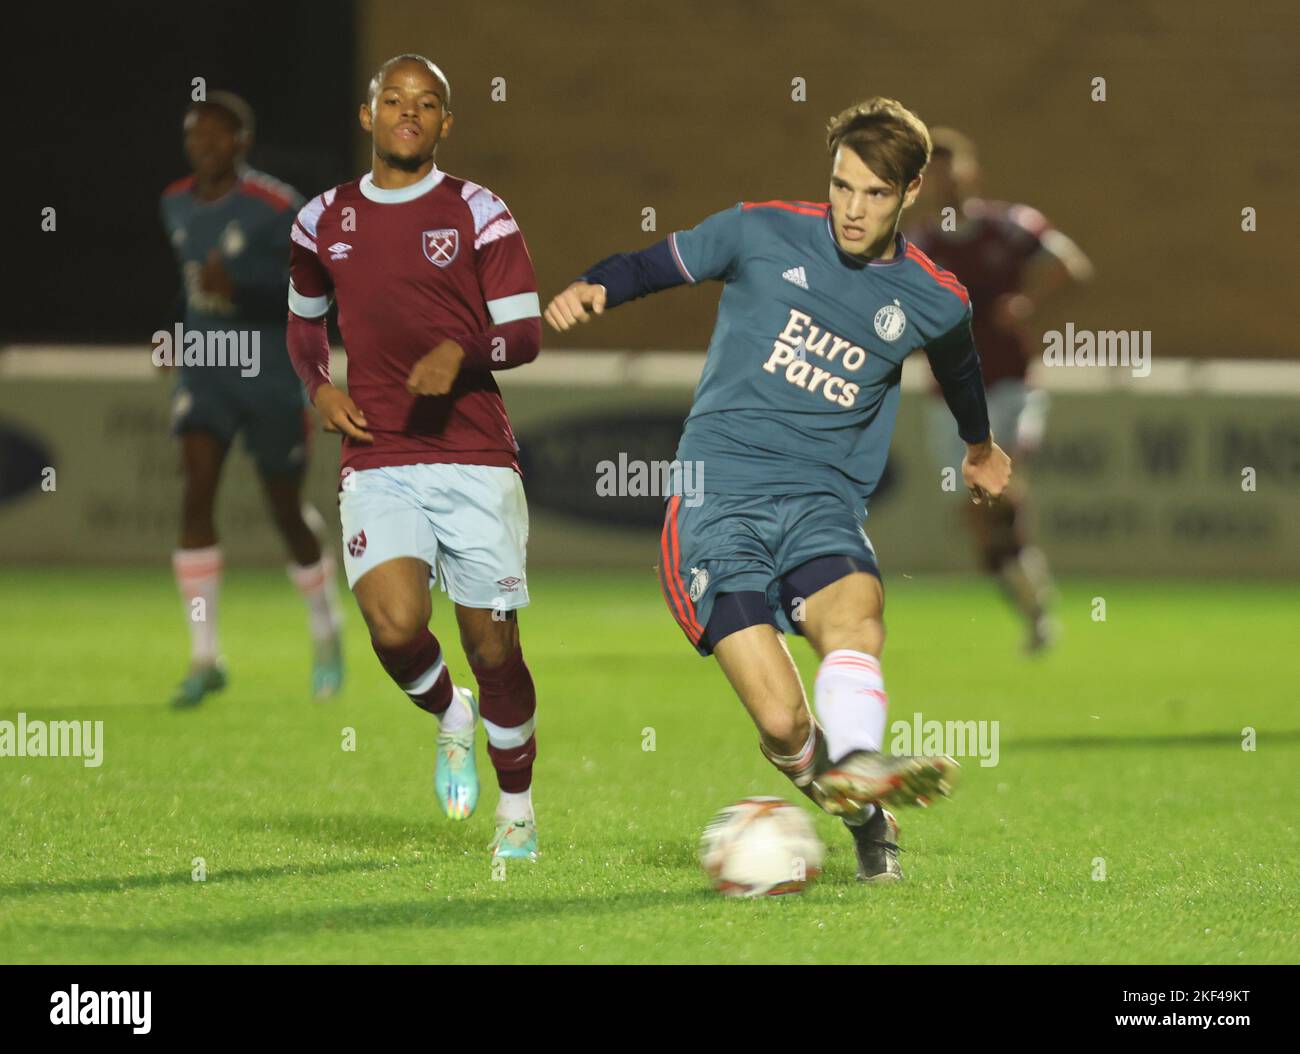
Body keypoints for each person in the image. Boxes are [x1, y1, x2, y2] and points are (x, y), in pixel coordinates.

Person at [545, 98, 1011, 882]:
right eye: (842, 186)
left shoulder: (934, 296)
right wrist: (594, 286)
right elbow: (653, 264)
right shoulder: (758, 230)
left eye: (874, 193)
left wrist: (979, 444)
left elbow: (961, 366)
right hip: (715, 497)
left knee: (855, 614)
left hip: (821, 500)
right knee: (783, 721)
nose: (852, 209)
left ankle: (860, 755)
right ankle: (867, 812)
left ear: (911, 191)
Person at [286, 56, 543, 860]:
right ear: (368, 116)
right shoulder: (320, 219)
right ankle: (450, 715)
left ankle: (518, 808)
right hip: (378, 450)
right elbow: (302, 323)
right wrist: (320, 389)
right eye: (393, 101)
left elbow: (525, 331)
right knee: (396, 628)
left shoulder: (479, 211)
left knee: (493, 646)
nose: (408, 114)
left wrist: (461, 354)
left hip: (474, 455)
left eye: (426, 104)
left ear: (445, 123)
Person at [160, 91, 344, 709]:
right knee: (195, 491)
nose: (204, 146)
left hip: (269, 374)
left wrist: (245, 288)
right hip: (206, 373)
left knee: (284, 508)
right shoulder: (175, 203)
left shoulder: (277, 206)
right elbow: (192, 287)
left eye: (216, 136)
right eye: (195, 136)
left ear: (240, 142)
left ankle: (326, 630)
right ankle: (205, 656)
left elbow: (318, 289)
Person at [907, 128, 1093, 652]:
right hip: (951, 401)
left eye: (951, 169)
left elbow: (1070, 265)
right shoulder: (920, 243)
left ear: (971, 172)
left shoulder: (1011, 226)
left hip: (1011, 386)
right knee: (980, 521)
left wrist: (1028, 302)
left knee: (1000, 490)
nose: (944, 182)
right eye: (932, 173)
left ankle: (1029, 586)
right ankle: (1032, 601)